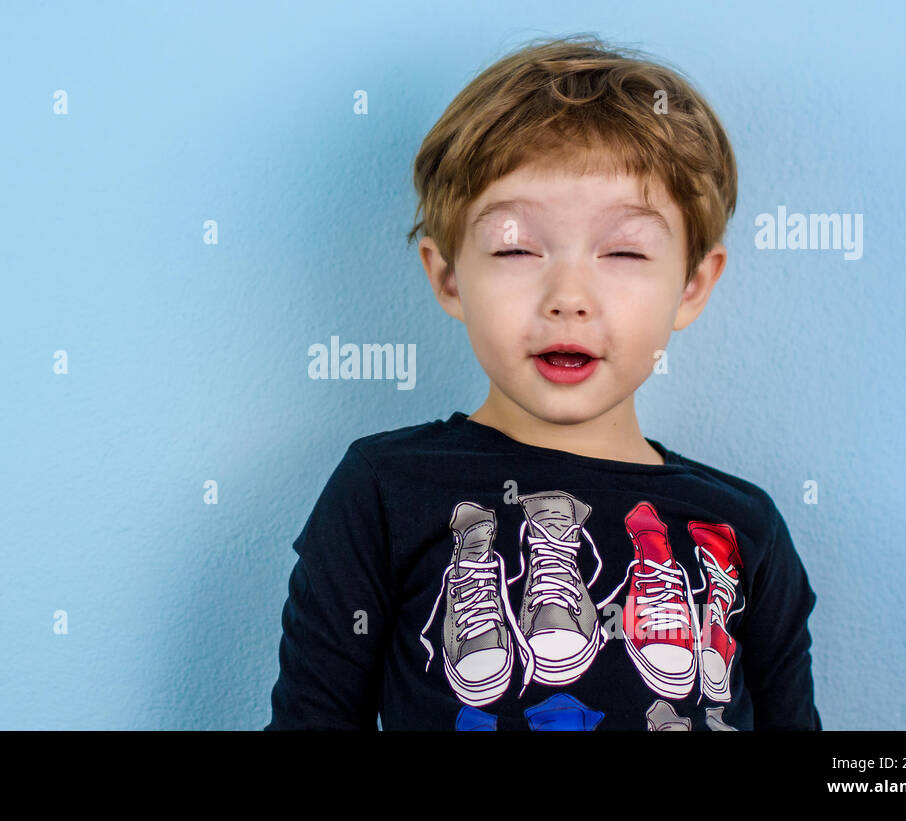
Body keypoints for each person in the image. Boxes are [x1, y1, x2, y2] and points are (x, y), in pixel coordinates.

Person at [265, 33, 820, 731]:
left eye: (623, 250)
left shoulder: (745, 526)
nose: (568, 295)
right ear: (447, 276)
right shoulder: (383, 488)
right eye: (515, 247)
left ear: (692, 285)